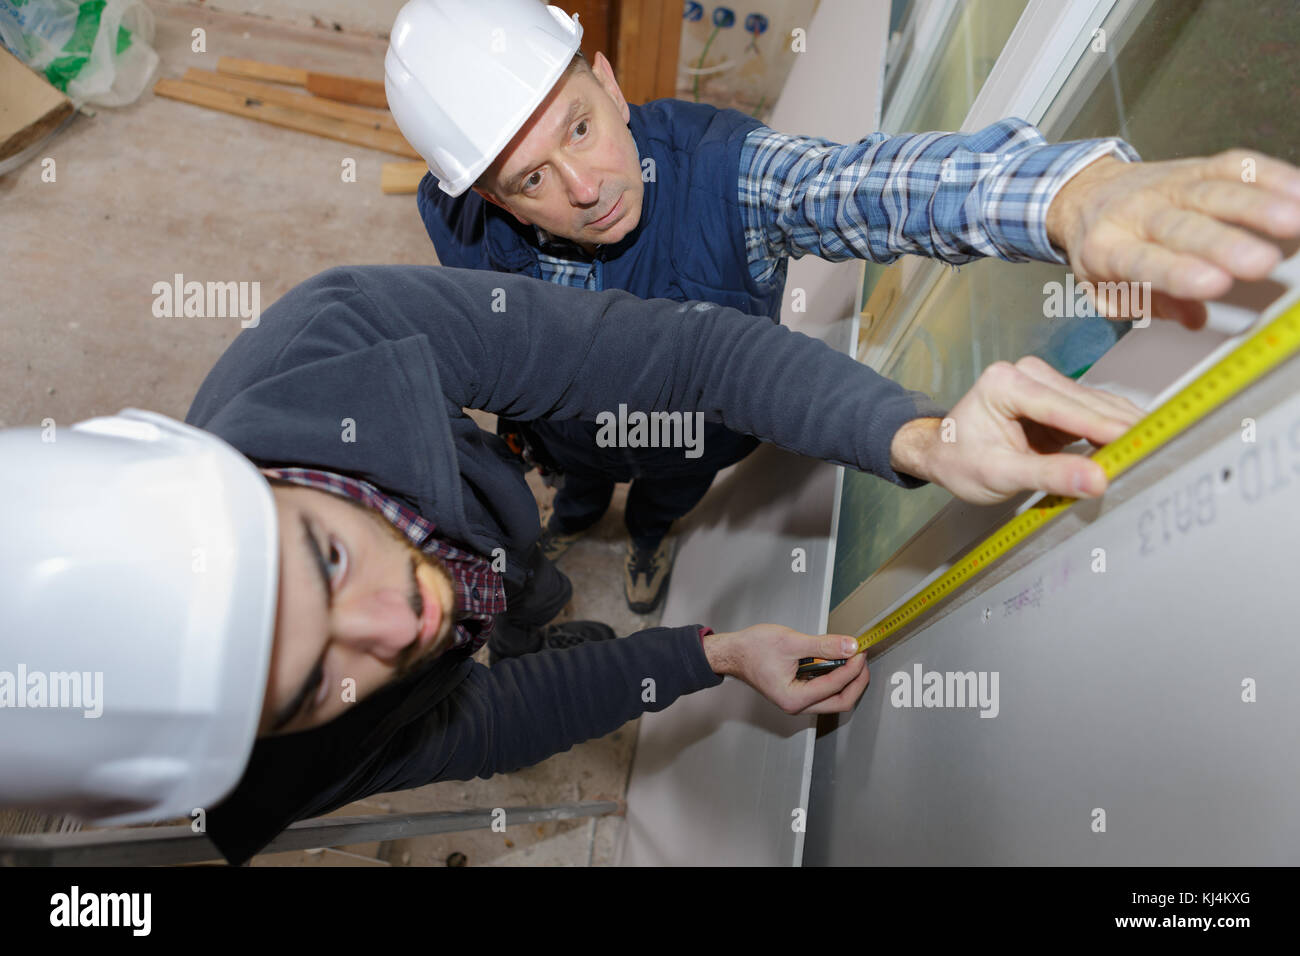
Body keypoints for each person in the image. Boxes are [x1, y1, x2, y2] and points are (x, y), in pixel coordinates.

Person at [171, 262, 1143, 863]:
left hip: (496, 532)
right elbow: (490, 720)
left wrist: (916, 436)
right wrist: (706, 656)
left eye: (329, 555)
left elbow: (686, 361)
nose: (401, 622)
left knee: (525, 591)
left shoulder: (327, 337)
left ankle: (523, 605)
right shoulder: (261, 772)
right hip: (480, 551)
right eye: (316, 684)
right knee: (487, 648)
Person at [386, 0, 1300, 617]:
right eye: (532, 179)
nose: (585, 190)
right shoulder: (456, 211)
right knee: (578, 482)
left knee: (662, 498)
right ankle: (581, 511)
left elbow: (855, 186)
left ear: (612, 84)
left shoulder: (721, 173)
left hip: (694, 436)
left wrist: (1061, 199)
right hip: (569, 433)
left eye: (580, 127)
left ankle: (650, 540)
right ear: (492, 199)